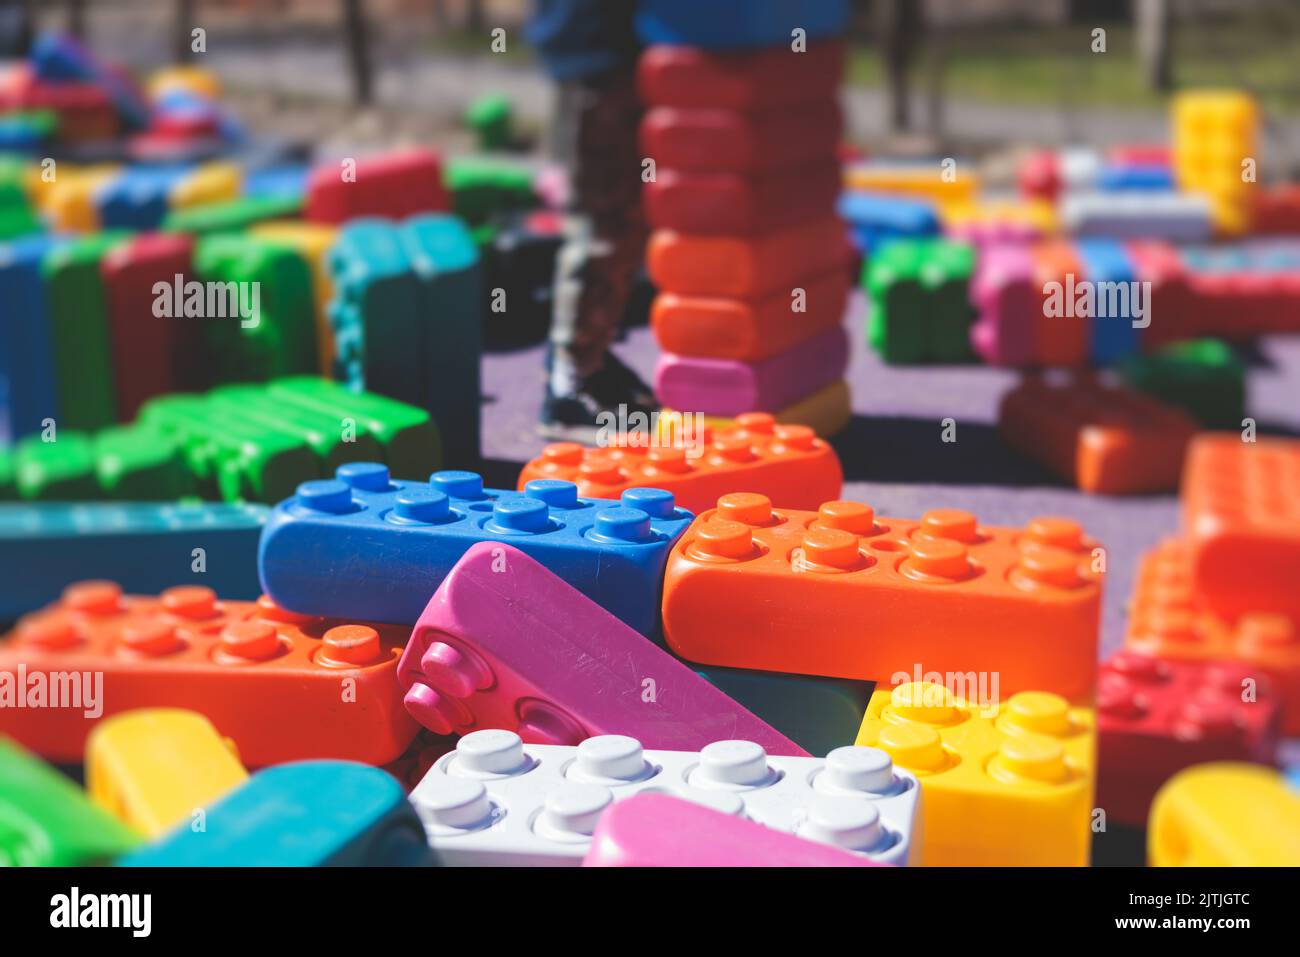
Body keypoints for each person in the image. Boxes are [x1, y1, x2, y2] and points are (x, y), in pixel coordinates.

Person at [527, 0, 657, 438]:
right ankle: (568, 384)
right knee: (602, 223)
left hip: (622, 53)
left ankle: (589, 358)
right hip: (597, 56)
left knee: (626, 219)